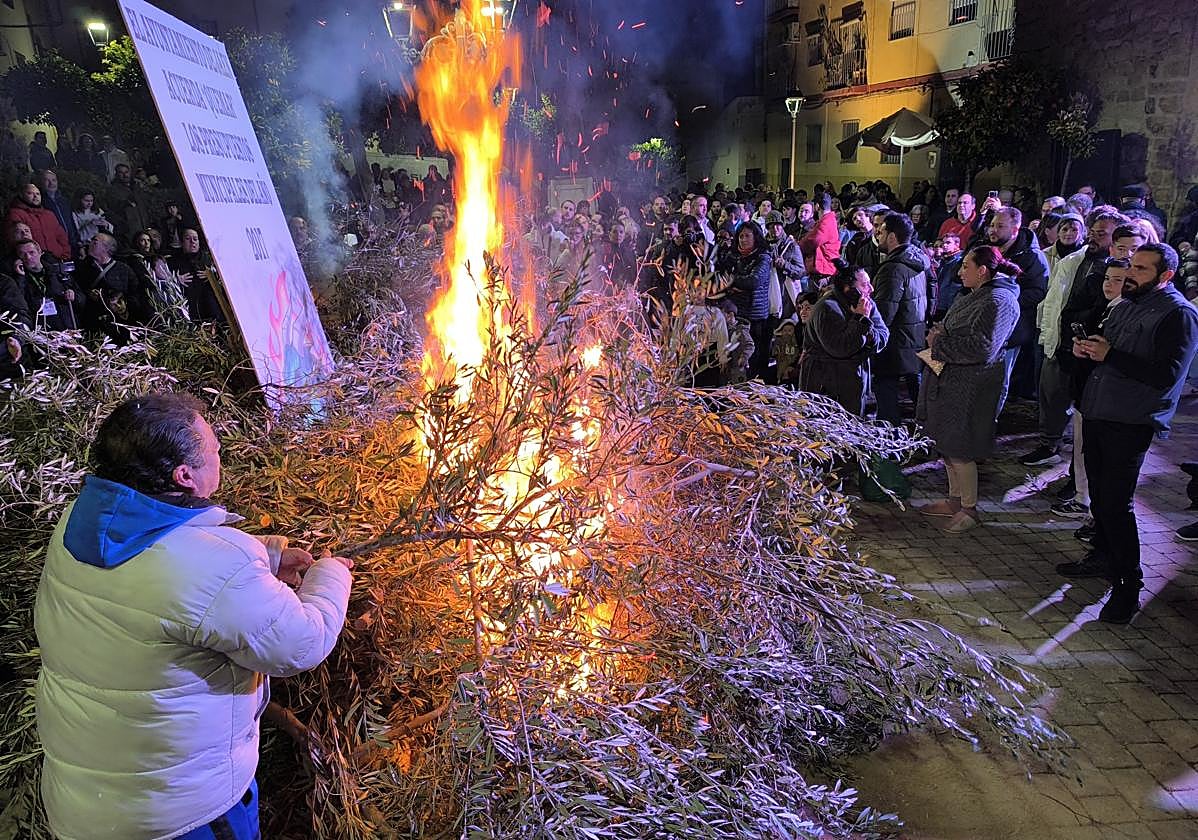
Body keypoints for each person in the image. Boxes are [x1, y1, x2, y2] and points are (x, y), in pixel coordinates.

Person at [35, 393, 354, 840]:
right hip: (181, 812)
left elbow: (171, 570)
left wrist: (265, 554)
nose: (221, 454)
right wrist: (331, 575)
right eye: (215, 449)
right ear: (184, 476)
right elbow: (302, 642)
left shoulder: (82, 523)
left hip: (87, 800)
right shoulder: (214, 569)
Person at [1056, 244, 1198, 623]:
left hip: (1130, 420)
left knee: (1116, 504)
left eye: (1141, 269)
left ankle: (1128, 586)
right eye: (1131, 265)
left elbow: (1168, 375)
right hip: (1100, 410)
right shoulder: (1129, 302)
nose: (1131, 274)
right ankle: (1103, 556)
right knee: (1100, 499)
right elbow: (1111, 348)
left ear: (1165, 276)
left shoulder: (1178, 315)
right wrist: (1087, 350)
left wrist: (1110, 356)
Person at [916, 246, 1022, 532]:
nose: (960, 272)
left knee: (961, 447)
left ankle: (969, 508)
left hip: (971, 385)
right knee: (947, 444)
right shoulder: (976, 295)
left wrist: (938, 343)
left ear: (983, 270)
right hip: (952, 379)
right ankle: (954, 499)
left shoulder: (999, 300)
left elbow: (984, 347)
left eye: (965, 266)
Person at [1024, 207, 1129, 467]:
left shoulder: (1117, 272)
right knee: (1050, 393)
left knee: (1079, 405)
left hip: (1091, 347)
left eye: (1101, 234)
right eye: (1092, 232)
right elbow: (1056, 299)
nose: (1094, 238)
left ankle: (1076, 467)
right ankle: (1049, 443)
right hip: (1062, 339)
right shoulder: (1076, 261)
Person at [1051, 258, 1130, 519]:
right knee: (1083, 450)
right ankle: (1083, 500)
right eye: (1107, 278)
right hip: (1086, 391)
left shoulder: (1127, 313)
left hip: (1109, 401)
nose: (1110, 284)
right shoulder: (1102, 308)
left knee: (1103, 463)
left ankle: (1096, 515)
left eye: (1118, 280)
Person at [798, 260, 889, 415]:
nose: (871, 289)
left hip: (856, 380)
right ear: (849, 288)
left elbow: (883, 336)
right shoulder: (826, 308)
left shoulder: (866, 304)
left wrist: (868, 333)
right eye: (865, 284)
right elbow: (840, 348)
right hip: (827, 386)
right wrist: (861, 321)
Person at [984, 206, 1049, 416]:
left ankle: (988, 423)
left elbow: (1038, 292)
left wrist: (1004, 300)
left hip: (1010, 329)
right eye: (992, 225)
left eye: (1000, 226)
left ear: (1015, 229)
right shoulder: (987, 249)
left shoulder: (1032, 257)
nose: (993, 230)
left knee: (998, 380)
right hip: (983, 323)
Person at [871, 213, 930, 425]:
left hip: (893, 342)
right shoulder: (917, 261)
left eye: (881, 231)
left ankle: (890, 439)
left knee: (886, 393)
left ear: (892, 237)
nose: (877, 234)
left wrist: (872, 335)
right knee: (918, 393)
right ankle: (928, 433)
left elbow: (884, 312)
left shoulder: (892, 268)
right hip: (913, 336)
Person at [716, 220, 773, 380]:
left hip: (755, 317)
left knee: (752, 360)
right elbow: (721, 278)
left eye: (747, 236)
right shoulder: (734, 256)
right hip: (736, 314)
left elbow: (753, 281)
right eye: (740, 236)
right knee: (737, 360)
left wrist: (732, 281)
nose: (743, 239)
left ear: (756, 237)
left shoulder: (763, 258)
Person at [8, 238, 79, 330]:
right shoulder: (17, 280)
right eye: (22, 254)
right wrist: (21, 277)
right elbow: (19, 305)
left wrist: (75, 296)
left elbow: (82, 298)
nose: (28, 257)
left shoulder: (58, 272)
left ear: (39, 252)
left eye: (31, 252)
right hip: (42, 331)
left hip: (68, 326)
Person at [5, 182, 71, 260]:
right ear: (22, 195)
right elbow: (16, 240)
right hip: (34, 261)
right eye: (30, 193)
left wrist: (65, 254)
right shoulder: (15, 214)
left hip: (57, 259)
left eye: (38, 194)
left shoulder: (49, 214)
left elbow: (61, 236)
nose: (35, 196)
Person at [170, 228, 224, 322]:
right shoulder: (173, 261)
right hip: (189, 306)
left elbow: (222, 277)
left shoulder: (208, 258)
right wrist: (175, 280)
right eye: (188, 239)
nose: (192, 242)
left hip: (210, 306)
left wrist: (212, 275)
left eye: (195, 239)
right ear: (182, 242)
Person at [799, 192, 841, 286]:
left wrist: (797, 245)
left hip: (822, 272)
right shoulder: (829, 220)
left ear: (817, 206)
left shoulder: (826, 221)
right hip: (823, 270)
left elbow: (812, 241)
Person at [36, 170, 79, 257]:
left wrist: (76, 239)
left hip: (72, 243)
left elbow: (71, 221)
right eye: (47, 180)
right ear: (41, 183)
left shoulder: (64, 201)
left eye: (54, 180)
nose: (51, 183)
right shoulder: (40, 203)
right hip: (56, 246)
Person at [106, 163, 150, 245]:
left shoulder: (136, 187)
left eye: (126, 172)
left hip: (143, 227)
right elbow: (113, 209)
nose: (125, 175)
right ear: (116, 174)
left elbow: (145, 206)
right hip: (128, 232)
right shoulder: (113, 190)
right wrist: (125, 203)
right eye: (121, 173)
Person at [930, 232, 964, 321]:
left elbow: (954, 288)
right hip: (937, 302)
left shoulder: (958, 262)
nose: (944, 245)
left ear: (957, 245)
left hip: (945, 305)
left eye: (948, 243)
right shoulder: (944, 259)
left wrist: (950, 307)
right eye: (943, 243)